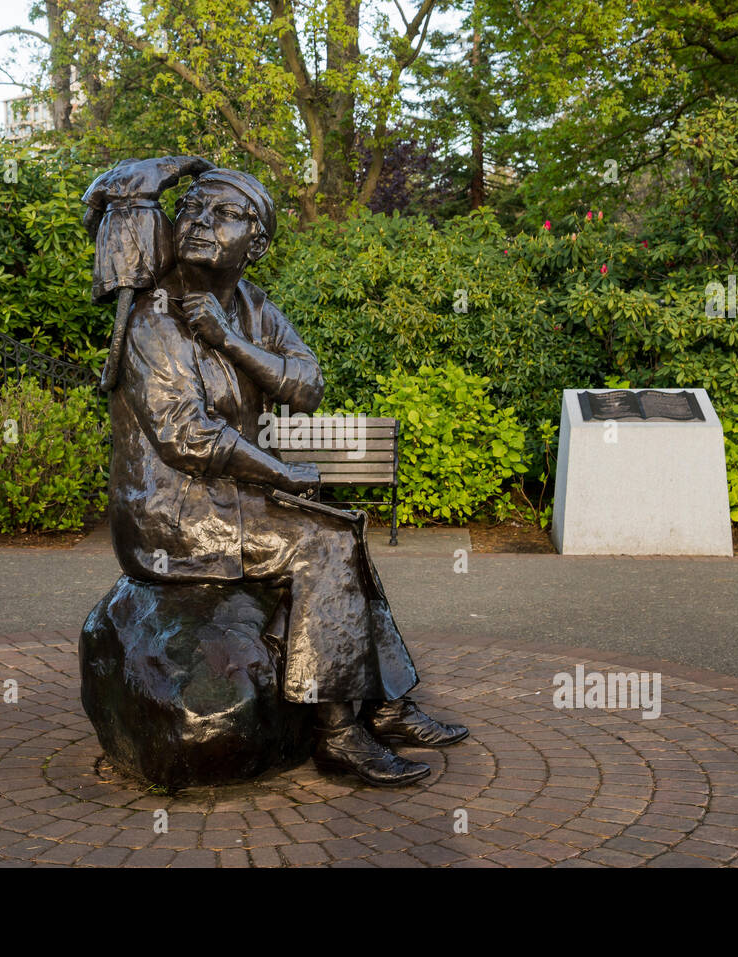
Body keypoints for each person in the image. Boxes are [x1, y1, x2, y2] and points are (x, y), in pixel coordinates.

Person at [105, 165, 467, 786]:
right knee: (321, 543)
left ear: (257, 242)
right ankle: (339, 734)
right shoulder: (153, 318)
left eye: (223, 215)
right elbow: (188, 437)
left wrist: (232, 343)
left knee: (342, 533)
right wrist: (281, 472)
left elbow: (307, 384)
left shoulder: (249, 307)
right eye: (191, 209)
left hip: (233, 496)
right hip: (174, 514)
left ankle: (385, 704)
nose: (199, 222)